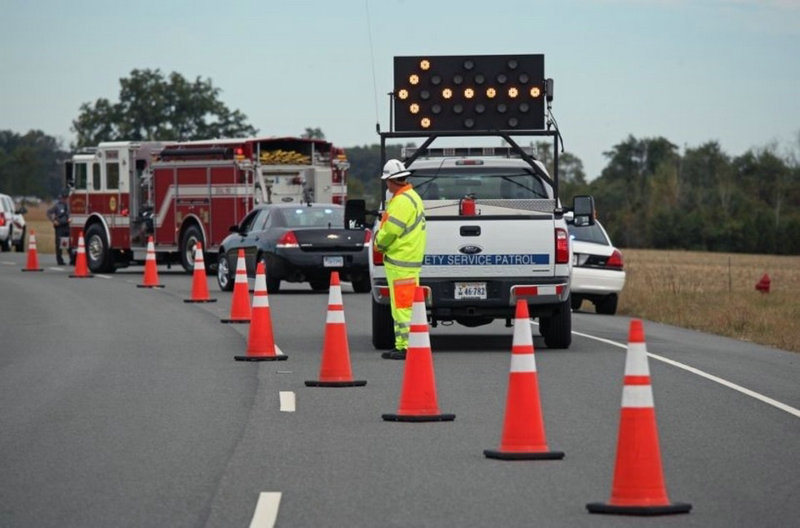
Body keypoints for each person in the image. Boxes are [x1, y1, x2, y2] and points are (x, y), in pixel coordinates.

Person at [374, 159, 427, 360]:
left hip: (400, 261)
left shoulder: (401, 201)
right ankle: (406, 344)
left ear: (391, 181)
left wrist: (379, 242)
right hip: (408, 260)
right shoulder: (413, 197)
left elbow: (390, 232)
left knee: (402, 307)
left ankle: (405, 346)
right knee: (406, 305)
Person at [47, 190, 72, 265]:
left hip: (67, 225)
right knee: (59, 244)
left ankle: (72, 259)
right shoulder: (57, 206)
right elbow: (48, 212)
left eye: (66, 197)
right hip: (59, 226)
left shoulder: (69, 205)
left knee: (69, 243)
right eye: (63, 197)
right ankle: (60, 260)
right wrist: (53, 220)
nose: (65, 199)